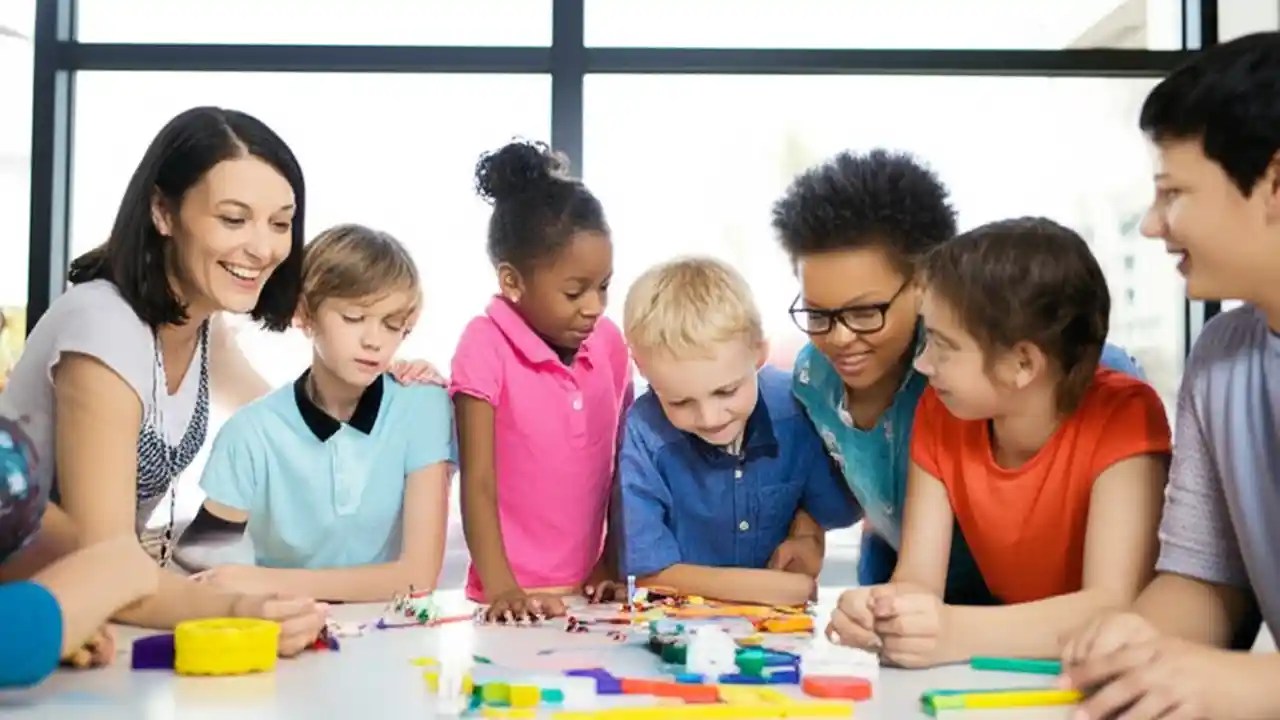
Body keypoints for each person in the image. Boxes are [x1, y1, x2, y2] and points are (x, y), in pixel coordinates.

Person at [0, 106, 325, 653]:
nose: (263, 247)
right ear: (162, 212)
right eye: (233, 219)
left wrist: (389, 384)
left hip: (88, 619)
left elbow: (291, 426)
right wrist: (241, 611)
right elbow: (104, 561)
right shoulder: (102, 325)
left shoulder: (204, 329)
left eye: (280, 222)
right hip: (29, 617)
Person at [771, 149, 1148, 605]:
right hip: (907, 572)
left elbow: (1072, 360)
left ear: (924, 284)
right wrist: (808, 530)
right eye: (817, 315)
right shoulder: (813, 377)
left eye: (865, 312)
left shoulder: (976, 366)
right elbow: (829, 484)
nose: (839, 337)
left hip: (1030, 601)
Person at [826, 217, 1171, 668]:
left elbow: (1114, 605)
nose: (923, 364)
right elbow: (918, 581)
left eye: (943, 345)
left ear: (1022, 364)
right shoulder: (941, 410)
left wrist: (951, 633)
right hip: (1007, 666)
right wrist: (885, 613)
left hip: (1108, 671)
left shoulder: (1125, 414)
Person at [1061, 32, 1280, 720]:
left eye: (1173, 192)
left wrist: (1245, 687)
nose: (1153, 226)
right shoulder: (1220, 359)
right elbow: (1206, 581)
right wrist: (1137, 640)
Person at [175, 224, 454, 603]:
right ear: (304, 314)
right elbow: (202, 561)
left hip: (389, 629)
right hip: (281, 626)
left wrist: (265, 582)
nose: (374, 341)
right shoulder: (249, 433)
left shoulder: (422, 405)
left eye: (392, 325)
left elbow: (417, 578)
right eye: (353, 318)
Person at [451, 139, 632, 622]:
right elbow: (477, 482)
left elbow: (623, 467)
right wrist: (503, 590)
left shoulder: (609, 343)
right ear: (512, 282)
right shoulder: (484, 344)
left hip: (591, 598)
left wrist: (610, 561)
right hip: (507, 600)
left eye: (603, 286)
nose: (594, 306)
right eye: (574, 292)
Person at [617, 256, 859, 606]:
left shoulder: (797, 409)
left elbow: (831, 509)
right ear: (643, 370)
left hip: (779, 628)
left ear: (759, 353)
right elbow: (648, 572)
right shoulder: (645, 434)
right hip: (676, 624)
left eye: (726, 391)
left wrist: (806, 537)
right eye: (680, 402)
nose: (709, 417)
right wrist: (773, 588)